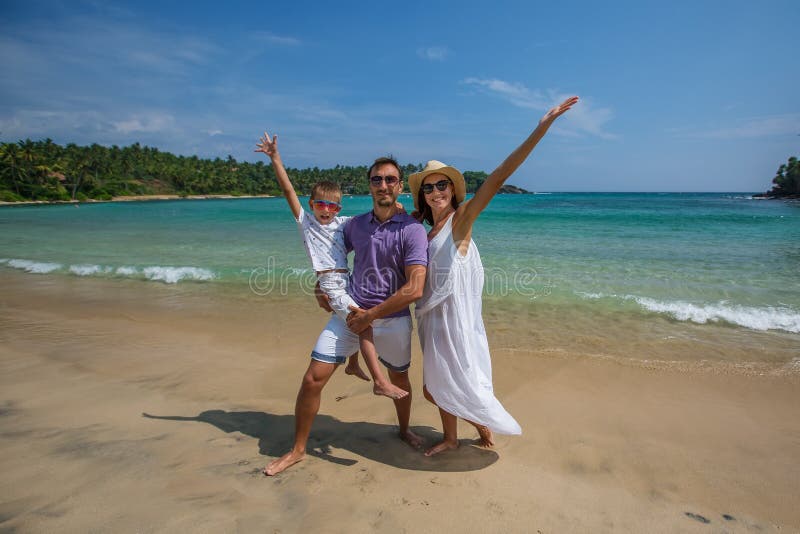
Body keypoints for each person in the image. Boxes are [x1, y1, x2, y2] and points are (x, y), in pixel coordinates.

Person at [409, 96, 579, 456]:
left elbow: (499, 175)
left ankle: (481, 423)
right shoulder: (422, 231)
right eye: (429, 187)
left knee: (451, 383)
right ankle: (451, 437)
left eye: (442, 186)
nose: (436, 192)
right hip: (430, 317)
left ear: (453, 190)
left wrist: (541, 128)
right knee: (436, 384)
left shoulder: (462, 219)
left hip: (454, 319)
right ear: (422, 195)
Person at [263, 154, 429, 475]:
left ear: (399, 186)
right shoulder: (354, 225)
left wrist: (372, 315)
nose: (383, 185)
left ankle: (404, 429)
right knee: (312, 379)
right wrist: (320, 286)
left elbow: (415, 287)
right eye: (377, 179)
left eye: (390, 179)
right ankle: (298, 450)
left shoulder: (411, 230)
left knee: (400, 378)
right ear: (369, 185)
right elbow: (330, 254)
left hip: (393, 319)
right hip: (351, 314)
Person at [255, 132, 408, 400]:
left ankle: (352, 363)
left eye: (332, 206)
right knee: (363, 321)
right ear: (311, 204)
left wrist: (400, 209)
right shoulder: (307, 223)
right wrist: (275, 158)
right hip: (330, 282)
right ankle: (379, 381)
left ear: (338, 208)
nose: (326, 210)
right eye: (321, 204)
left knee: (357, 316)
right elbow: (288, 190)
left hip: (346, 280)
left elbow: (372, 223)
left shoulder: (343, 223)